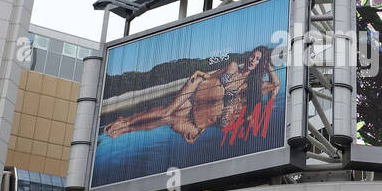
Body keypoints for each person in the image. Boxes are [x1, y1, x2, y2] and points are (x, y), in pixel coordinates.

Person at [104, 47, 279, 146]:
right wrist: (200, 73)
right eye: (252, 57)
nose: (252, 61)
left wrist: (268, 65)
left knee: (166, 121)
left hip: (199, 118)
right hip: (195, 93)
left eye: (257, 60)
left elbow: (276, 85)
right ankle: (125, 121)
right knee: (166, 113)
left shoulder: (248, 85)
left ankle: (127, 128)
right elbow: (211, 77)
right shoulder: (233, 66)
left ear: (259, 64)